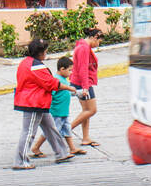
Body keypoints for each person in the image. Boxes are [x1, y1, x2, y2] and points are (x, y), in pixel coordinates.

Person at [13, 38, 73, 170]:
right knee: (28, 132)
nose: (46, 53)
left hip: (35, 101)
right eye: (45, 51)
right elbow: (51, 83)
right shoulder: (37, 66)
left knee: (50, 128)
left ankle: (61, 153)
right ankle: (20, 161)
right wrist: (69, 88)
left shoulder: (25, 63)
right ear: (40, 53)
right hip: (34, 102)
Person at [30, 56, 83, 158]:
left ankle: (72, 148)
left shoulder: (64, 80)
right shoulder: (56, 81)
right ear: (62, 69)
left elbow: (67, 92)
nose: (71, 73)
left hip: (64, 111)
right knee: (50, 131)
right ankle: (36, 147)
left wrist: (77, 93)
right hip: (56, 112)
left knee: (67, 129)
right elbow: (51, 95)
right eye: (69, 70)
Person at [70, 27, 102, 147]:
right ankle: (66, 130)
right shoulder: (84, 48)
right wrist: (85, 87)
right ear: (94, 37)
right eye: (98, 42)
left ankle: (85, 138)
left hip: (79, 81)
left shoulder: (81, 45)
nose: (97, 45)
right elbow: (83, 68)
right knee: (92, 110)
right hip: (82, 82)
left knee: (86, 111)